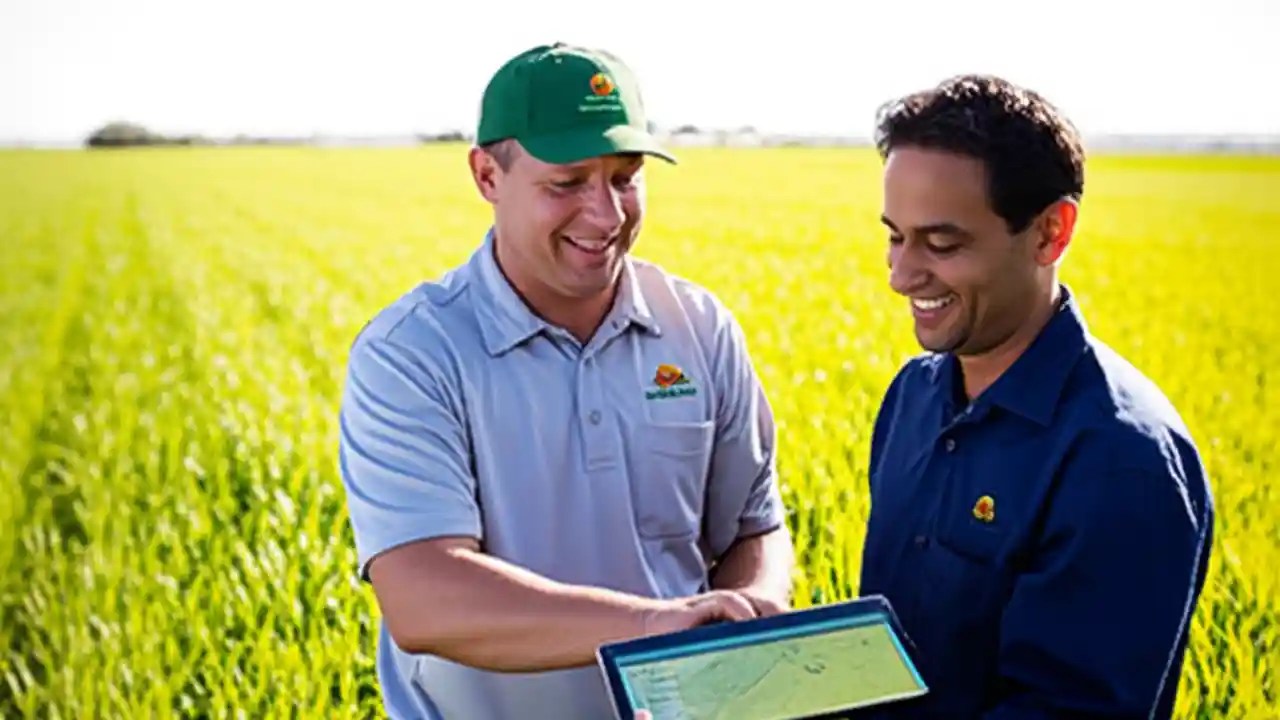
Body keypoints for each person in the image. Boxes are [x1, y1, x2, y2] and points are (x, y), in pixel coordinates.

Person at [336, 42, 794, 720]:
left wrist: (748, 617)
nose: (606, 215)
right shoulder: (412, 355)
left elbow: (755, 529)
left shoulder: (698, 328)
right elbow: (424, 597)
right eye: (568, 183)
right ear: (487, 175)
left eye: (624, 178)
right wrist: (653, 630)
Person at [858, 74, 1215, 718]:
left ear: (1051, 233)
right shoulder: (912, 397)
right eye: (894, 236)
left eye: (942, 243)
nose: (902, 276)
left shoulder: (1119, 458)